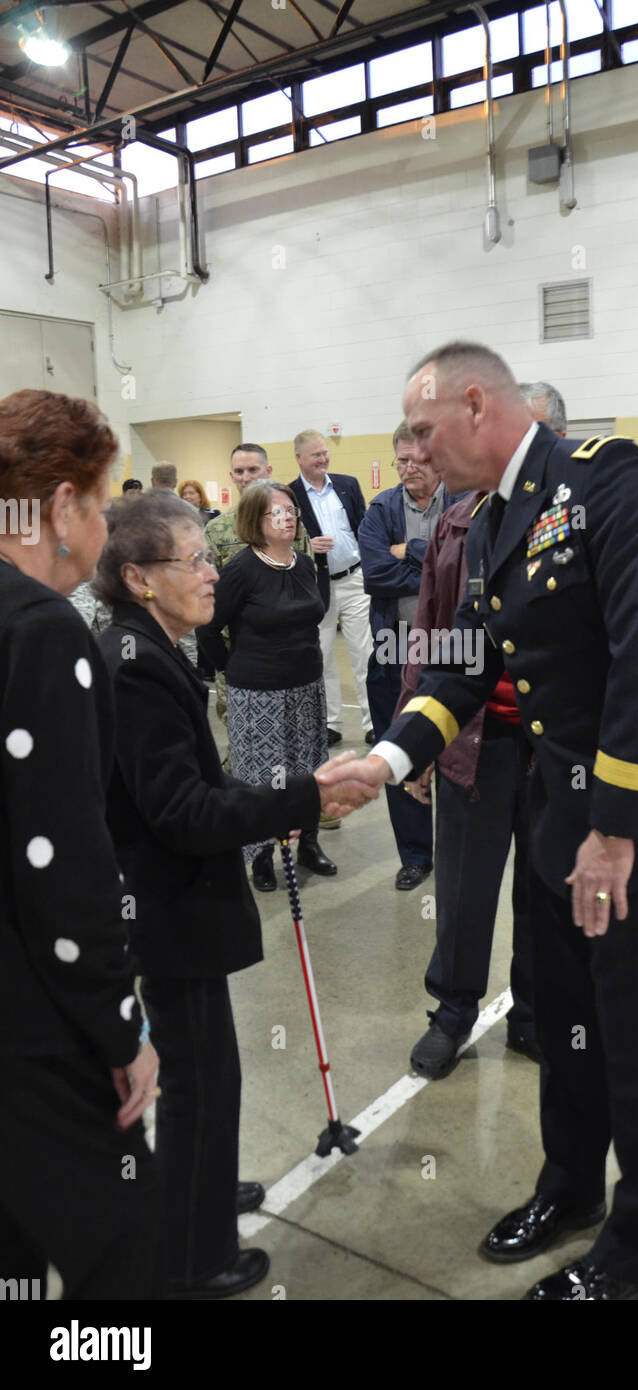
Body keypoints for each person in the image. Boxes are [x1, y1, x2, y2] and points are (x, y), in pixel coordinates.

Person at [318, 341, 638, 1302]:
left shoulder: (611, 481)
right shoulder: (491, 515)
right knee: (567, 1029)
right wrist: (384, 760)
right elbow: (471, 666)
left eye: (422, 431)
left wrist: (615, 831)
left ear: (478, 404)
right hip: (560, 822)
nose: (412, 454)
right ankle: (571, 1191)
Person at [94, 490, 376, 1299]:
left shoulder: (152, 648)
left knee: (209, 1071)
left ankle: (205, 1194)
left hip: (177, 904)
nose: (212, 574)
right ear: (141, 578)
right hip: (166, 907)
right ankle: (196, 1251)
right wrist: (300, 798)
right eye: (195, 560)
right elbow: (181, 812)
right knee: (199, 1081)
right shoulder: (135, 666)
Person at [0, 388, 161, 1300]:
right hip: (32, 1027)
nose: (103, 526)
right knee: (122, 1255)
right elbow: (60, 864)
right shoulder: (43, 631)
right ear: (61, 509)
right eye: (100, 505)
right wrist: (120, 1027)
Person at [400, 384, 571, 1076]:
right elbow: (431, 631)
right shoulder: (460, 521)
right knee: (466, 885)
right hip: (474, 737)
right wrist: (413, 738)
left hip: (557, 745)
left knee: (546, 884)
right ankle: (453, 1010)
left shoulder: (580, 518)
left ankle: (533, 1012)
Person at [197, 481, 336, 882]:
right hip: (257, 694)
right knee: (262, 776)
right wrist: (232, 668)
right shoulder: (240, 569)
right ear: (256, 521)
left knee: (307, 771)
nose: (288, 517)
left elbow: (316, 614)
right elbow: (208, 627)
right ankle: (261, 858)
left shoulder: (305, 563)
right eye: (278, 512)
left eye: (291, 510)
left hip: (307, 687)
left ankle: (308, 845)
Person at [358, 423, 450, 891]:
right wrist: (436, 566)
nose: (409, 468)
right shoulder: (381, 509)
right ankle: (415, 854)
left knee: (455, 755)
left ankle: (456, 849)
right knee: (399, 749)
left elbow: (474, 566)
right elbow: (376, 575)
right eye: (401, 461)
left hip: (455, 649)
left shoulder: (465, 500)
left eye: (417, 459)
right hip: (396, 645)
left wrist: (412, 551)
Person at [289, 430, 374, 747]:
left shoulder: (348, 485)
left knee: (364, 654)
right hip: (316, 585)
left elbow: (364, 527)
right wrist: (308, 546)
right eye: (316, 455)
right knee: (323, 655)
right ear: (299, 458)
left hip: (355, 579)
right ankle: (330, 724)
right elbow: (286, 541)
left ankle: (372, 722)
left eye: (325, 452)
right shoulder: (290, 494)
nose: (323, 459)